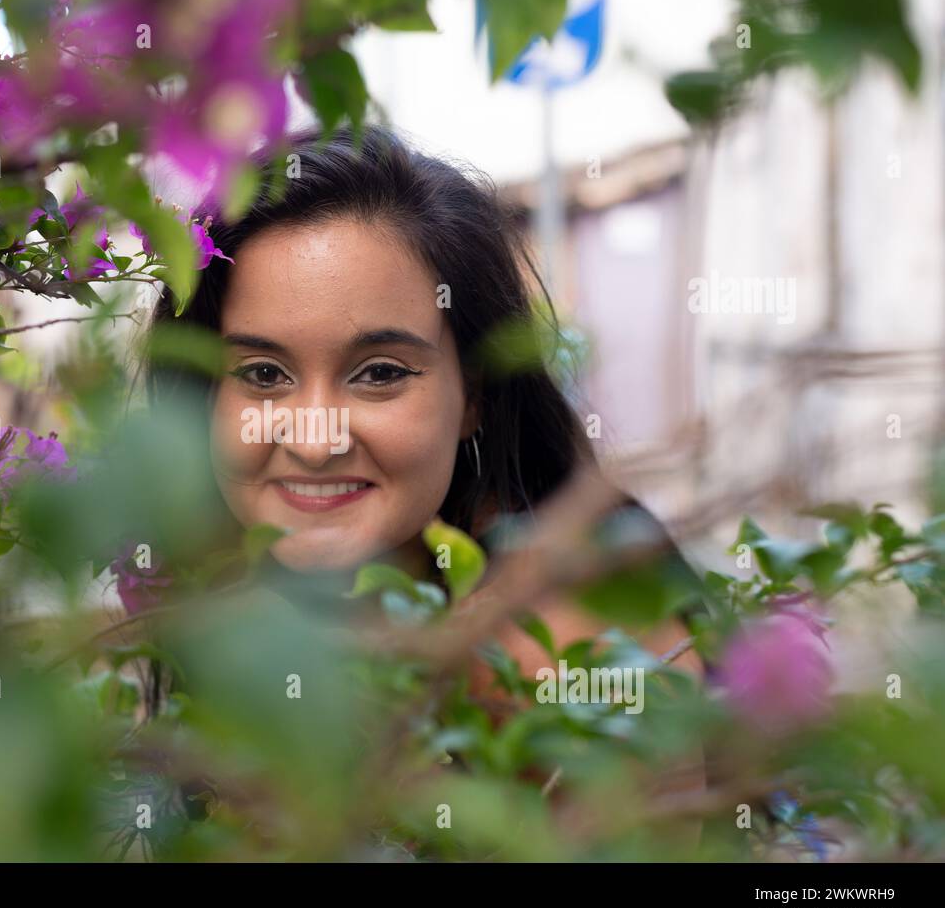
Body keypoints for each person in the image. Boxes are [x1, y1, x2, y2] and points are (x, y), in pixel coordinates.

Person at [129, 122, 705, 835]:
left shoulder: (562, 646)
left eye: (379, 374)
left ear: (474, 397)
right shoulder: (236, 616)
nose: (314, 439)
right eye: (263, 374)